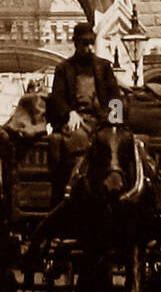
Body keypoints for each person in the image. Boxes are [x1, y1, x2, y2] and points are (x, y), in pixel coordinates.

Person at [46, 21, 122, 203]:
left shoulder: (104, 67)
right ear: (76, 44)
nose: (88, 48)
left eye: (90, 43)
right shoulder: (64, 69)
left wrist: (115, 121)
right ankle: (72, 186)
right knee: (77, 140)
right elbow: (57, 97)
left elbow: (115, 96)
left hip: (102, 120)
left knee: (117, 143)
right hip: (76, 120)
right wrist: (69, 113)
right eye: (84, 44)